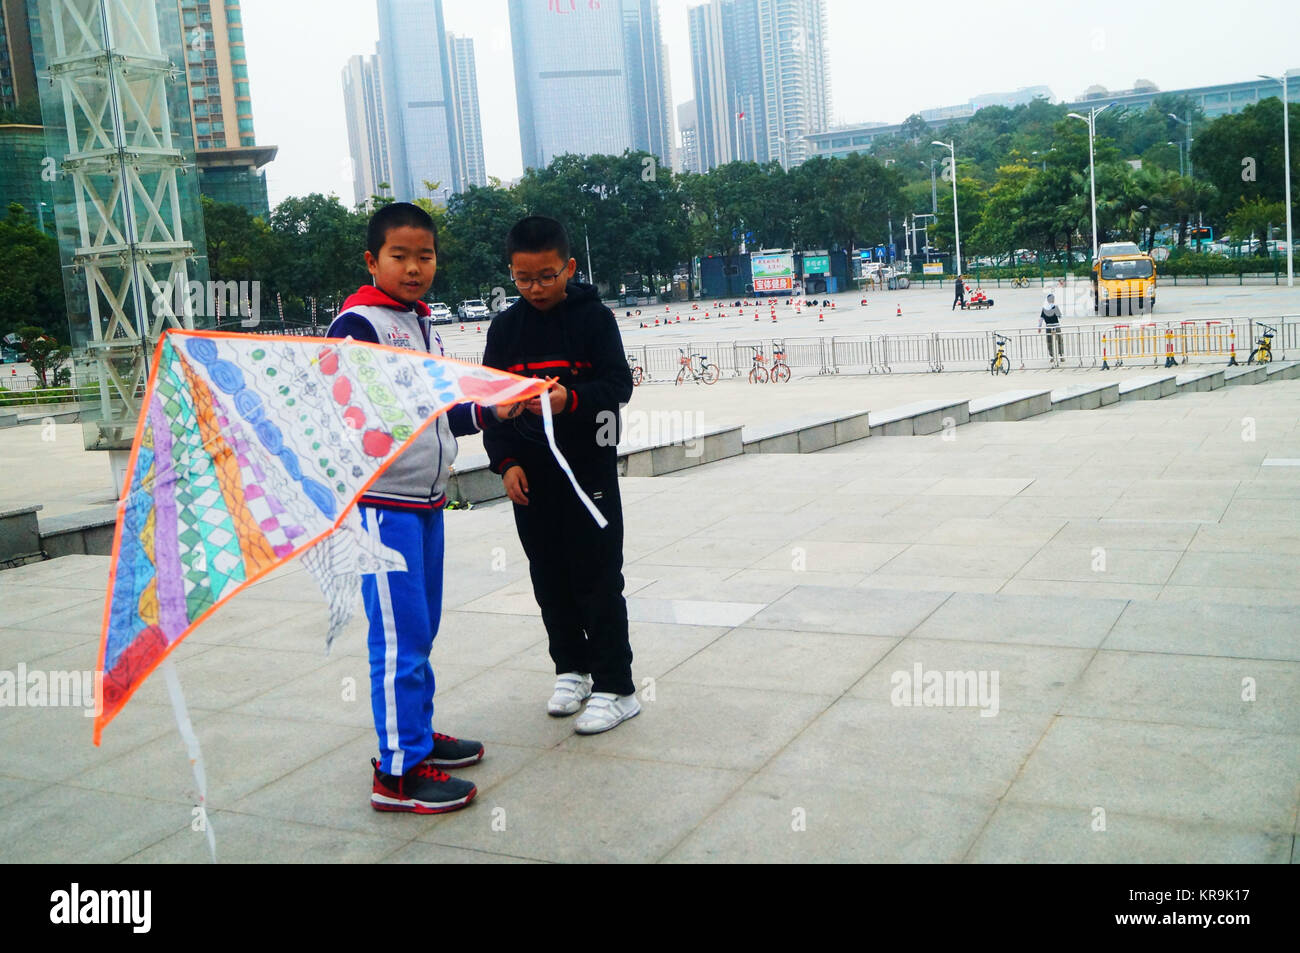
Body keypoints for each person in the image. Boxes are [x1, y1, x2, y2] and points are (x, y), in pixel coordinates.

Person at [327, 202, 521, 814]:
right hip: (383, 510)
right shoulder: (358, 325)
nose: (414, 268)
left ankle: (415, 738)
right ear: (372, 260)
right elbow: (354, 413)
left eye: (425, 256)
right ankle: (398, 774)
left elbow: (438, 412)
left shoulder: (419, 324)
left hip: (426, 501)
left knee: (422, 629)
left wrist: (492, 408)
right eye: (400, 257)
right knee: (397, 638)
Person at [482, 215, 639, 735]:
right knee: (549, 580)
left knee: (597, 579)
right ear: (511, 273)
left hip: (588, 473)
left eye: (547, 276)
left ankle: (616, 688)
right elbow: (493, 404)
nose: (536, 288)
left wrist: (570, 397)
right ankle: (571, 670)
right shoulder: (505, 330)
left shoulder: (594, 320)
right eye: (524, 279)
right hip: (531, 479)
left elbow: (618, 386)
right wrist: (505, 464)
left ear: (568, 267)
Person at [1039, 292, 1064, 368]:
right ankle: (1061, 355)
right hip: (1056, 326)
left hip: (1048, 327)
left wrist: (1039, 327)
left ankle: (1052, 356)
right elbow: (1060, 316)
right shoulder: (1055, 307)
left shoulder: (1044, 308)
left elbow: (1041, 319)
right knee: (1059, 340)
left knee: (1049, 341)